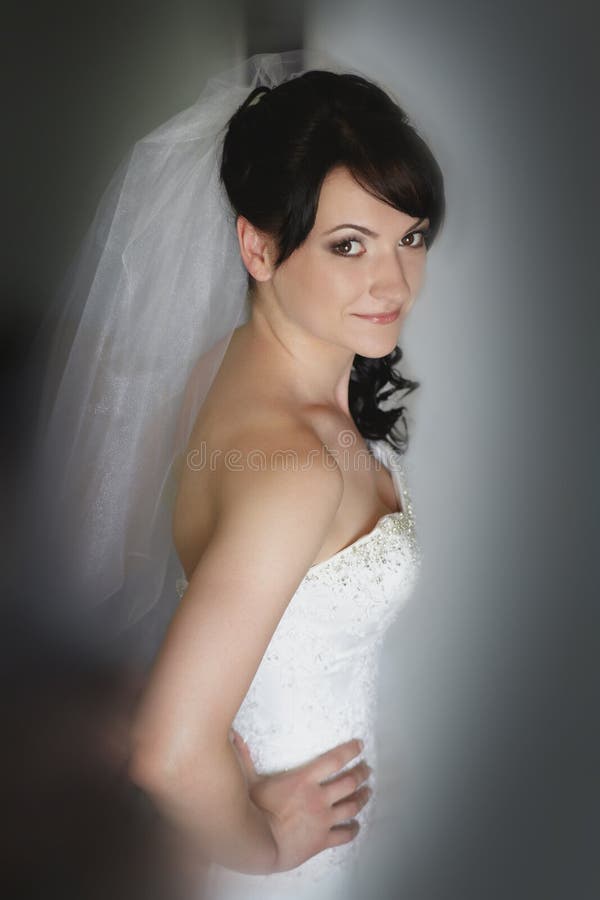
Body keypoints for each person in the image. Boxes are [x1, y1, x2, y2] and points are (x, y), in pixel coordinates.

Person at [34, 50, 445, 900]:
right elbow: (169, 747)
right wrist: (267, 847)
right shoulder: (294, 465)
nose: (394, 280)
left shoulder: (222, 369)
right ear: (257, 248)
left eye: (409, 237)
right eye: (348, 245)